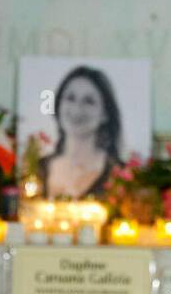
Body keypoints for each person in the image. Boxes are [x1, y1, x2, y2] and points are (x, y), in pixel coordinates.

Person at [39, 66, 124, 198]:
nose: (77, 109)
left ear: (105, 114)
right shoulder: (37, 168)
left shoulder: (118, 173)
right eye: (70, 98)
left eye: (89, 101)